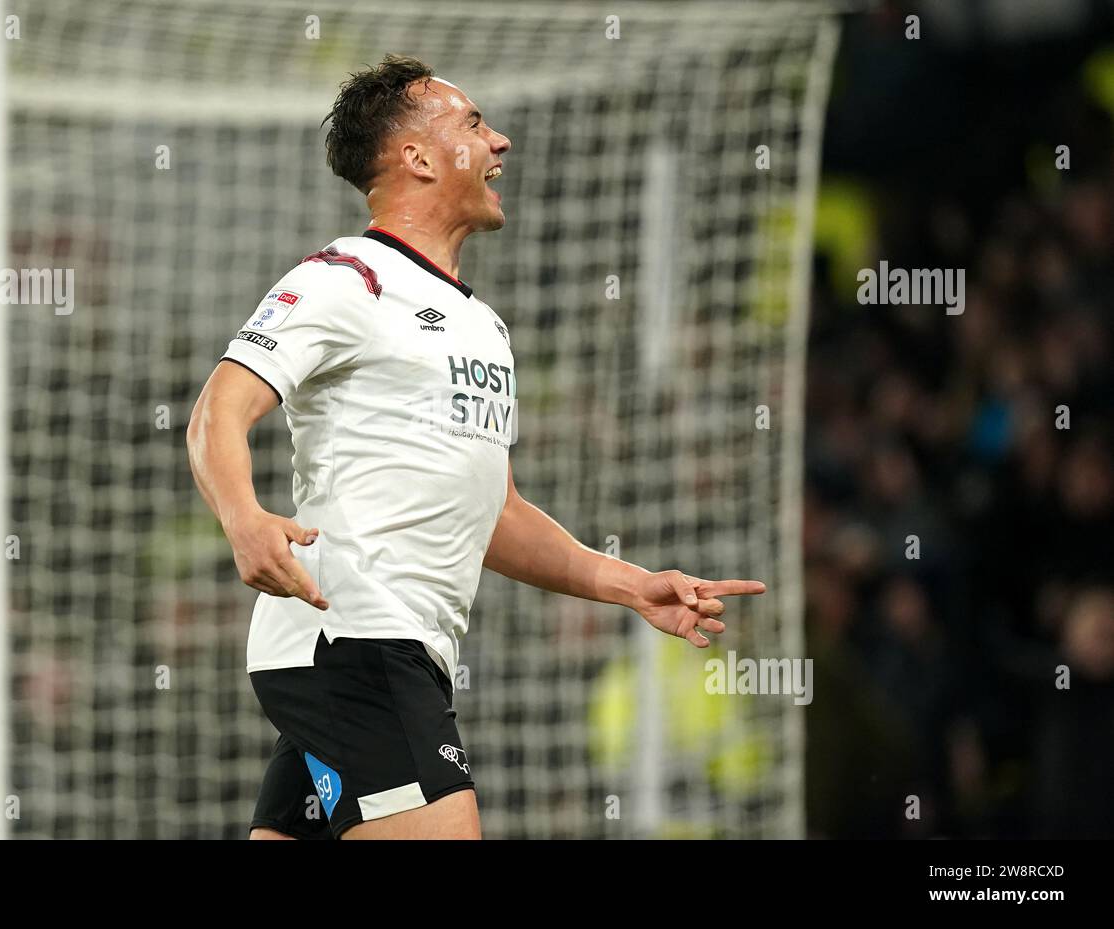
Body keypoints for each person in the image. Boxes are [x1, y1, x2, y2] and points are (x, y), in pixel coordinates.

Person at [187, 55, 765, 839]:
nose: (500, 141)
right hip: (356, 639)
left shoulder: (483, 326)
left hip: (391, 649)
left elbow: (495, 513)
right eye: (472, 124)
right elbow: (217, 410)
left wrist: (630, 585)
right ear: (418, 158)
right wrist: (243, 518)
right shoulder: (344, 279)